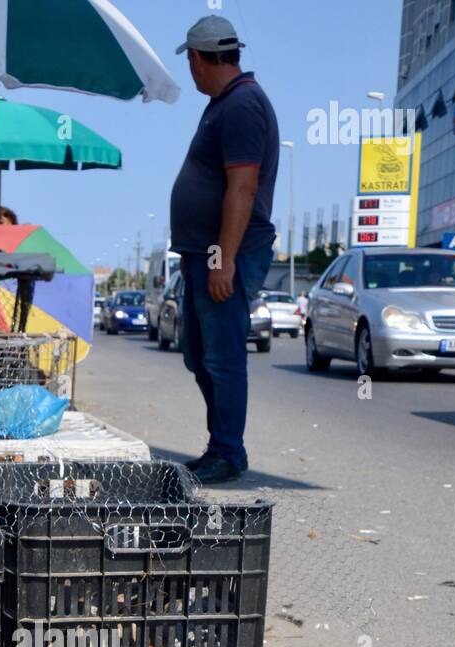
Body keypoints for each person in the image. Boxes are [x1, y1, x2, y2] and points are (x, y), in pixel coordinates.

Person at [169, 15, 279, 482]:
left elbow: (243, 188)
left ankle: (228, 451)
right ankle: (222, 445)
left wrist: (223, 259)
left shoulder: (241, 106)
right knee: (200, 354)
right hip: (205, 253)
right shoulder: (224, 103)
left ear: (197, 59)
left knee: (222, 356)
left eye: (190, 61)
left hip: (225, 252)